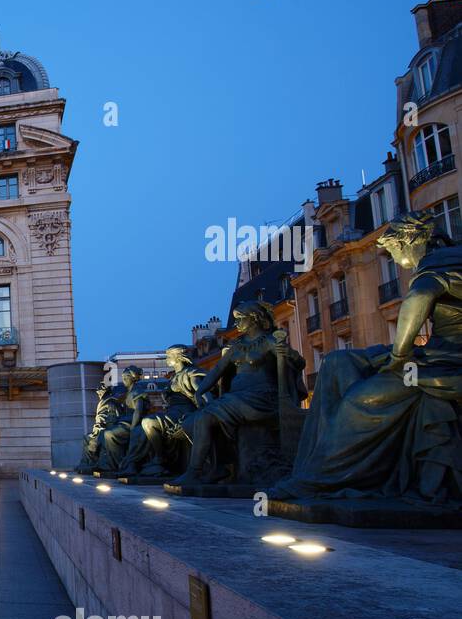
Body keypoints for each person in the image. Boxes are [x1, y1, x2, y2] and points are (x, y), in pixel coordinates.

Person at [271, 215, 462, 503]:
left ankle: (322, 479)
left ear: (409, 240)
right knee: (336, 361)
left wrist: (399, 354)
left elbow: (418, 299)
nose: (396, 260)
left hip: (446, 360)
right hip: (434, 353)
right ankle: (312, 466)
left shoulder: (439, 262)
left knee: (357, 402)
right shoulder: (444, 260)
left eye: (394, 252)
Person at [171, 301, 304, 486]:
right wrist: (200, 391)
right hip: (236, 399)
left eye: (240, 319)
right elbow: (215, 372)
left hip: (262, 398)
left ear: (254, 318)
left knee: (204, 418)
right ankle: (216, 467)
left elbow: (299, 362)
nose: (237, 324)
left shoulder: (269, 341)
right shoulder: (236, 346)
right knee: (191, 422)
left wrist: (288, 354)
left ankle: (196, 472)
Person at [119, 345, 206, 477]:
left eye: (169, 356)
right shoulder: (173, 377)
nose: (166, 358)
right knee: (139, 430)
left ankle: (160, 459)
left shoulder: (190, 374)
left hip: (183, 412)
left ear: (178, 357)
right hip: (171, 412)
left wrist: (199, 414)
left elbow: (203, 395)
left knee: (148, 422)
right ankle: (135, 463)